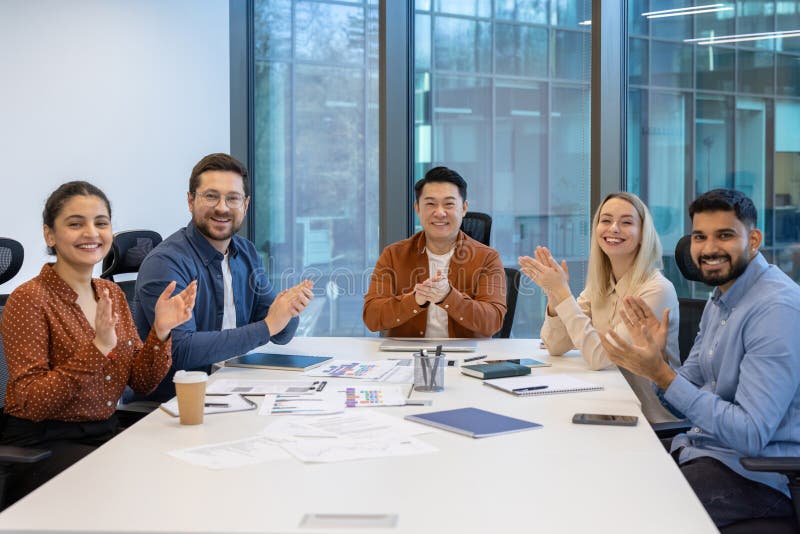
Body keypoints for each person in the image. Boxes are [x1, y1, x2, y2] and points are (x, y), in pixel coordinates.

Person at [599, 189, 800, 528]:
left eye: (724, 235)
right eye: (699, 237)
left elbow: (750, 434)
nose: (708, 249)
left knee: (626, 519)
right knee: (600, 483)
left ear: (753, 240)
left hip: (753, 477)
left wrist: (664, 376)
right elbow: (684, 391)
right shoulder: (720, 299)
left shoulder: (775, 310)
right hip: (700, 451)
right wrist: (658, 360)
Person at [0, 181, 196, 505]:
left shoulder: (112, 294)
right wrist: (97, 349)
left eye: (101, 223)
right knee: (134, 491)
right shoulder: (30, 299)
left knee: (177, 474)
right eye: (75, 223)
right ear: (50, 235)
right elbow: (30, 400)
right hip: (44, 445)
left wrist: (161, 333)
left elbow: (142, 381)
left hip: (105, 432)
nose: (91, 232)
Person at [133, 153, 314, 401]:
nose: (222, 207)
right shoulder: (165, 263)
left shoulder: (246, 252)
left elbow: (280, 335)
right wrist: (269, 324)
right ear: (190, 201)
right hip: (178, 404)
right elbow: (181, 350)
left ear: (246, 205)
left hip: (234, 390)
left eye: (233, 198)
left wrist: (288, 309)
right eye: (211, 196)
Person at [519, 192, 680, 423]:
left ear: (643, 234)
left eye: (626, 222)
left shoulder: (656, 290)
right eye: (605, 220)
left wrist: (564, 294)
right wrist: (554, 295)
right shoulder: (600, 283)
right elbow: (556, 345)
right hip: (608, 403)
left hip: (649, 417)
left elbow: (600, 357)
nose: (613, 228)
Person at [363, 166, 506, 337]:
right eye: (430, 204)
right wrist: (414, 300)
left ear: (464, 208)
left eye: (449, 204)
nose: (440, 212)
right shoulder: (393, 255)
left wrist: (449, 296)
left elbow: (493, 321)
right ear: (417, 208)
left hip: (466, 358)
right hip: (408, 358)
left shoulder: (487, 258)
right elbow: (372, 318)